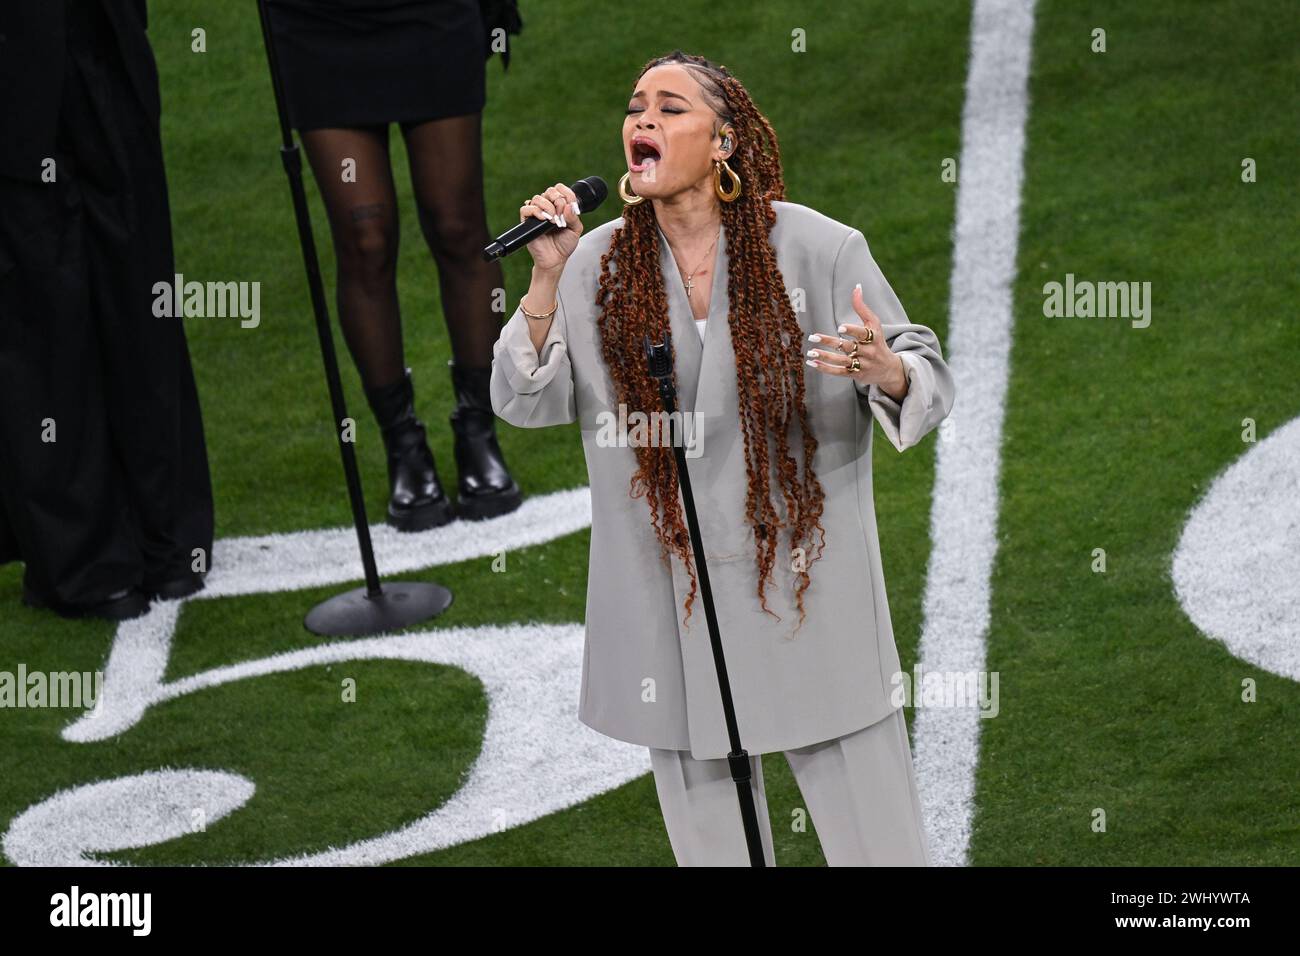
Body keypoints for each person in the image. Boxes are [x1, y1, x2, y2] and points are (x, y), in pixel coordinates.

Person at [491, 51, 956, 865]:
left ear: (724, 141)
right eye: (636, 107)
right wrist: (546, 281)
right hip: (671, 602)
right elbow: (527, 399)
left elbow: (922, 368)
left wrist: (888, 370)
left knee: (880, 844)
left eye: (671, 109)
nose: (644, 121)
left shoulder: (817, 247)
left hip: (808, 591)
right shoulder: (595, 265)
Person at [263, 0, 523, 529]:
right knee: (366, 241)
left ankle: (477, 429)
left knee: (456, 226)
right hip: (321, 26)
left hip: (429, 14)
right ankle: (403, 444)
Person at [0, 0, 214, 621]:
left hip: (93, 35)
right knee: (46, 300)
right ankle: (98, 556)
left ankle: (152, 541)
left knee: (129, 282)